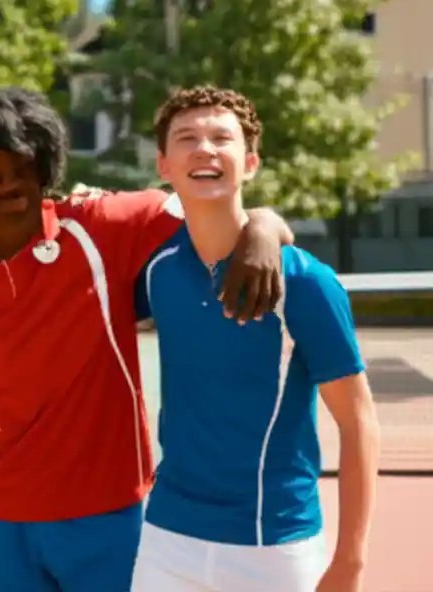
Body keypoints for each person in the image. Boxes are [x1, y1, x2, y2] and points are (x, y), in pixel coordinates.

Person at [0, 87, 293, 592]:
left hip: (112, 514)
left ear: (44, 162)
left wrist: (266, 226)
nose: (8, 181)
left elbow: (210, 205)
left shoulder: (100, 227)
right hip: (6, 519)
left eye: (22, 164)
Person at [130, 85, 379, 592]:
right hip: (166, 538)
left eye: (223, 137)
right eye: (187, 137)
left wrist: (350, 562)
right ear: (164, 165)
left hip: (274, 546)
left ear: (250, 163)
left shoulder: (305, 283)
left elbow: (358, 423)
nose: (205, 148)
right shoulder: (155, 271)